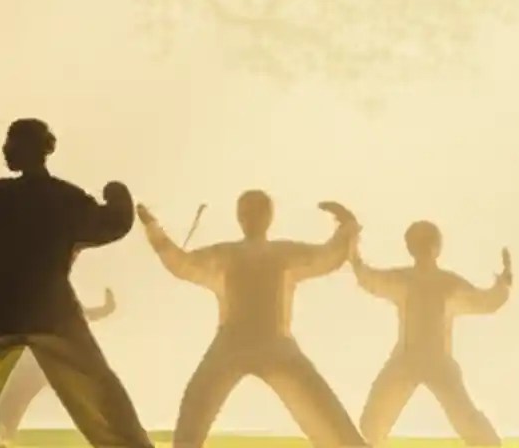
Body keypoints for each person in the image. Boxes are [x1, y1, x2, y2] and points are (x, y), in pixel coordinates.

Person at [137, 192, 366, 448]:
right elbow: (327, 257)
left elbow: (181, 263)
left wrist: (152, 228)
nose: (251, 217)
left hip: (254, 344)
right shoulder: (264, 253)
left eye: (254, 212)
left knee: (195, 409)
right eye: (248, 212)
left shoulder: (245, 254)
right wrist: (347, 225)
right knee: (195, 409)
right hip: (259, 344)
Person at [0, 118, 152, 447]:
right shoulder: (65, 197)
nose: (5, 148)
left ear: (30, 149)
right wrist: (117, 195)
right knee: (102, 394)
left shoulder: (3, 195)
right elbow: (113, 223)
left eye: (12, 141)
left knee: (102, 393)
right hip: (53, 313)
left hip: (9, 309)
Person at [351, 221, 511, 446]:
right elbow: (485, 301)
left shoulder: (429, 281)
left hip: (424, 359)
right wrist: (502, 286)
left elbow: (368, 278)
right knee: (374, 421)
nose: (425, 249)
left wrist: (502, 286)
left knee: (374, 421)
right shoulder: (439, 282)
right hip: (416, 359)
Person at [0, 290, 118, 445]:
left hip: (42, 362)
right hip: (38, 362)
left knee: (14, 400)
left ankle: (5, 434)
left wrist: (104, 309)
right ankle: (5, 435)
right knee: (13, 401)